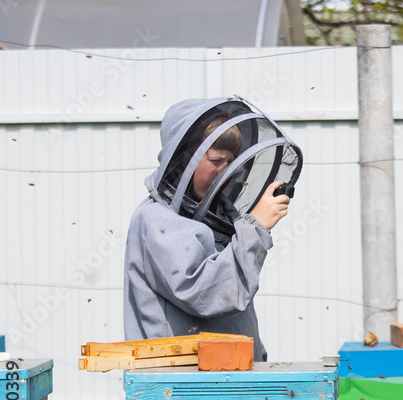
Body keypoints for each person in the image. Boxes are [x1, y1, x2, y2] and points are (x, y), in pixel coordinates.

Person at [124, 96, 303, 361]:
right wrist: (254, 227)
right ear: (186, 159)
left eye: (231, 162)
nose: (226, 172)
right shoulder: (157, 220)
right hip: (178, 389)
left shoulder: (208, 218)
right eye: (217, 160)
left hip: (222, 381)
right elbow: (206, 293)